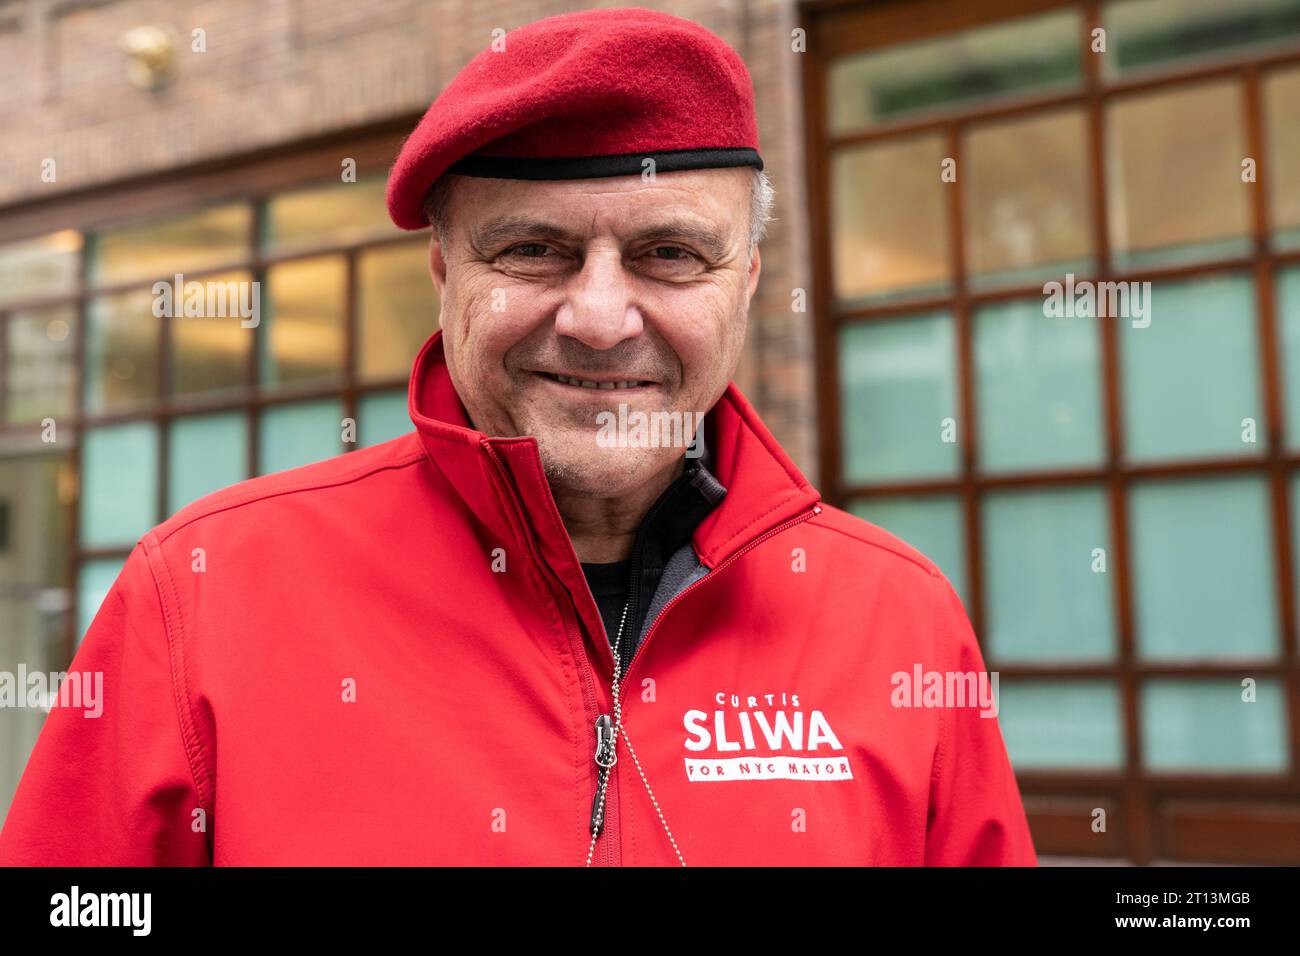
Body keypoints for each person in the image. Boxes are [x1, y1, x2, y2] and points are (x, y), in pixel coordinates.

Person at [0, 7, 1036, 866]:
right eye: (532, 249)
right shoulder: (199, 597)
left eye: (668, 252)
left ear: (747, 284)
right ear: (446, 274)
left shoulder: (899, 619)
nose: (598, 315)